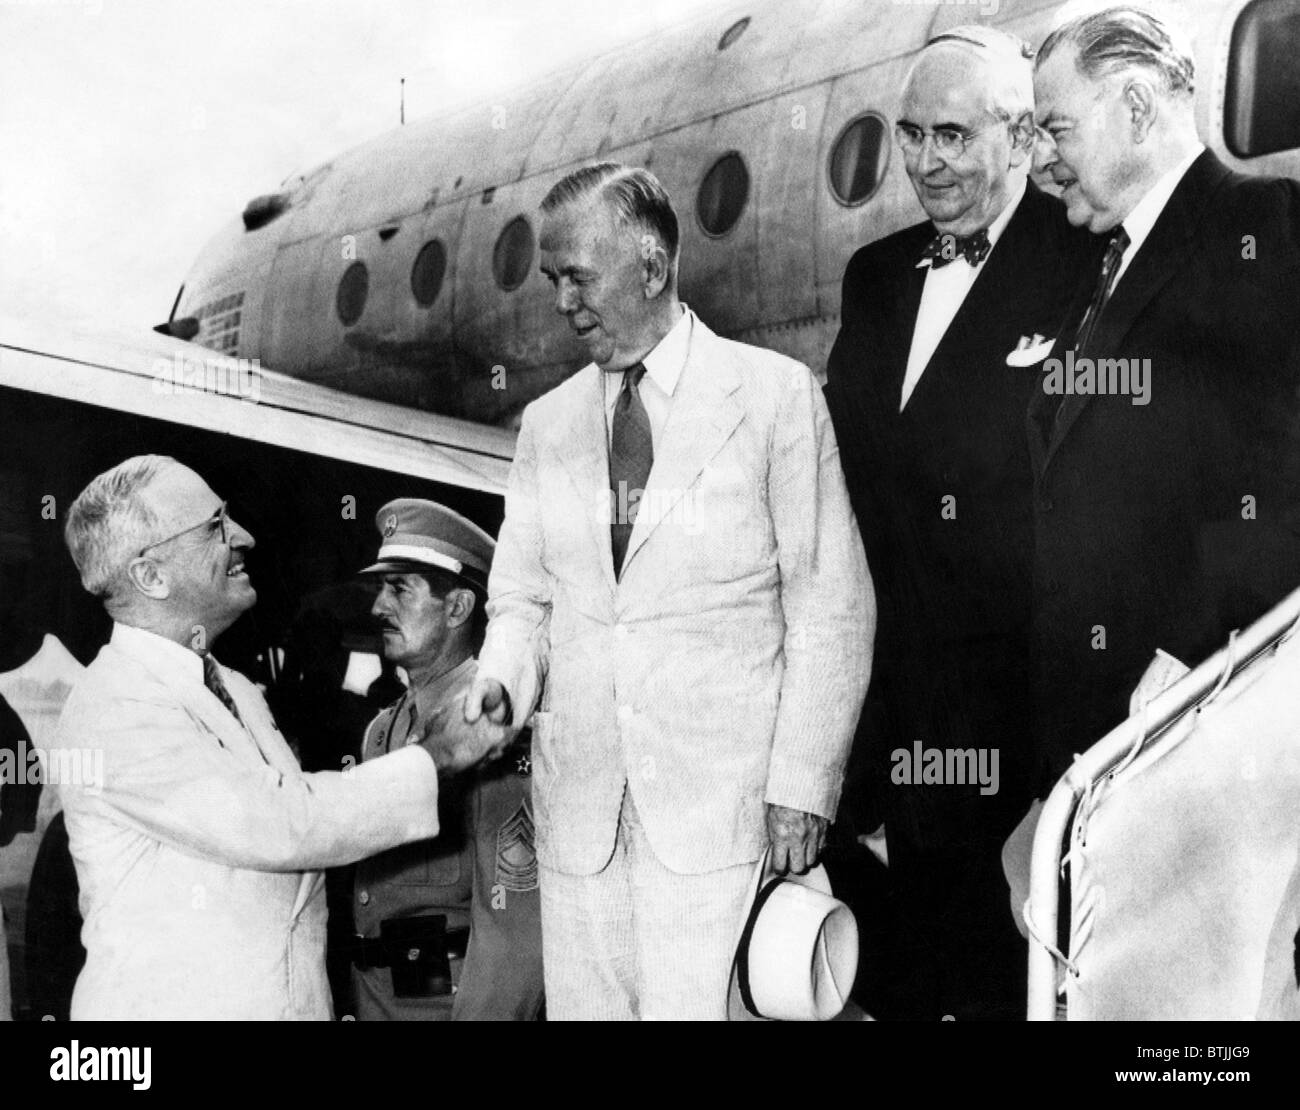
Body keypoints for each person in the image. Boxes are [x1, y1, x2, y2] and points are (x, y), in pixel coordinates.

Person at [464, 163, 875, 1020]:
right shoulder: (546, 427)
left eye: (579, 276)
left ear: (650, 269)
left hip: (721, 815)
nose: (564, 302)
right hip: (580, 819)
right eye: (553, 280)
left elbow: (830, 609)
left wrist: (804, 783)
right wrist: (502, 681)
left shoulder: (773, 399)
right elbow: (523, 598)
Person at [823, 25, 1101, 1021]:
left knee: (1007, 994)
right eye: (909, 136)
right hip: (882, 733)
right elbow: (846, 490)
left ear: (1020, 138)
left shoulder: (1085, 267)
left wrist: (1060, 760)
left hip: (1017, 741)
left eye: (952, 136)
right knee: (893, 990)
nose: (925, 163)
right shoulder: (877, 275)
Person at [50, 455, 511, 1019]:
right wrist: (436, 758)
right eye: (215, 526)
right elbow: (276, 824)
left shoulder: (236, 690)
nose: (243, 537)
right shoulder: (113, 706)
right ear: (151, 575)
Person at [1028, 5, 1300, 790]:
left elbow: (1278, 485)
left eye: (1057, 130)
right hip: (1097, 737)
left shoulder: (1259, 229)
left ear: (1137, 109)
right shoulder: (1104, 261)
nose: (1042, 162)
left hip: (1185, 733)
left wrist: (1186, 661)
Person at [351, 498, 543, 1020]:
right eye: (379, 590)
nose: (377, 608)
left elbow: (514, 936)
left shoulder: (492, 730)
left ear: (457, 608)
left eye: (399, 589)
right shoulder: (381, 731)